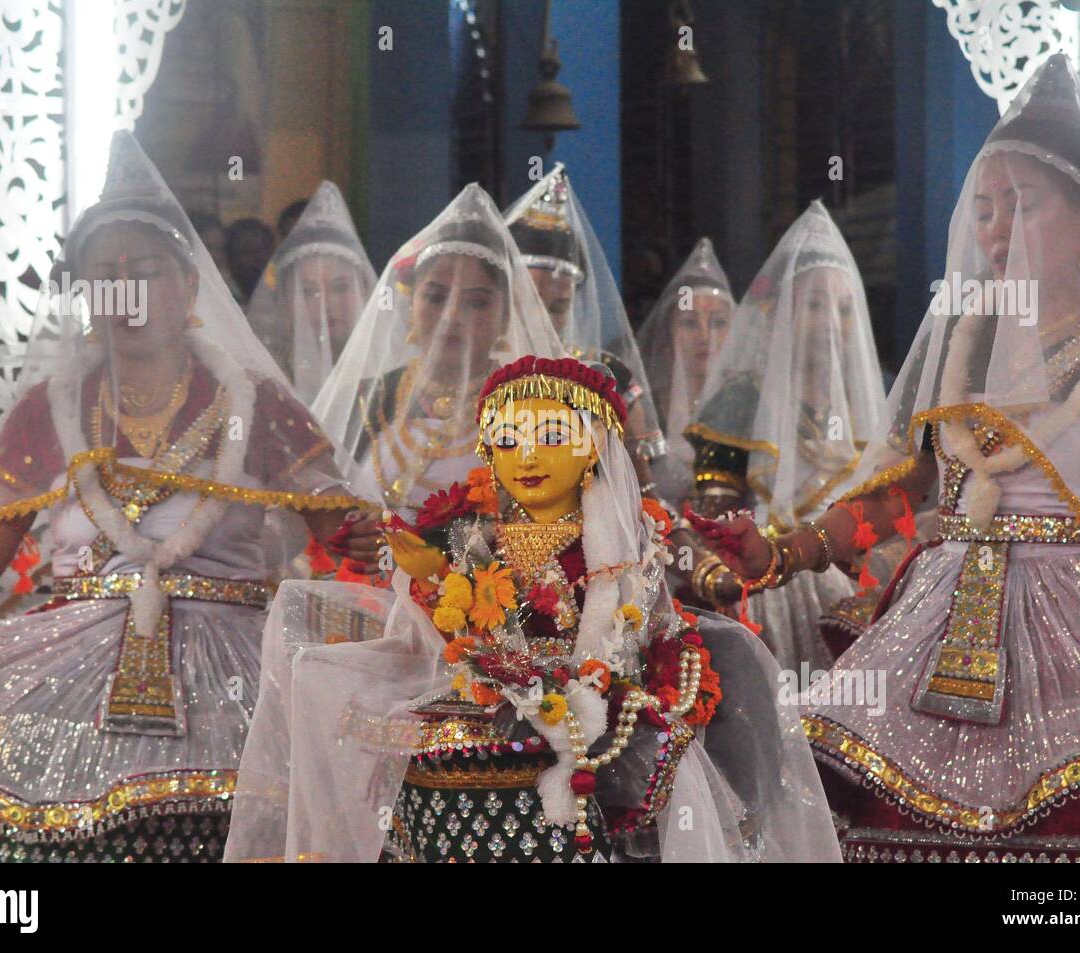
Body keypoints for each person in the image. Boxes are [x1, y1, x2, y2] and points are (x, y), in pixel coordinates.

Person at [702, 55, 1080, 861]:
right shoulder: (971, 341)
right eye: (986, 209)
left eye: (1023, 205)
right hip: (946, 615)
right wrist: (784, 553)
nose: (995, 230)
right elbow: (908, 490)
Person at [0, 132, 377, 862]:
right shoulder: (47, 408)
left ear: (187, 287)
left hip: (237, 670)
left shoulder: (258, 403)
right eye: (103, 277)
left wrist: (387, 553)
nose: (125, 295)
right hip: (73, 655)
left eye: (143, 274)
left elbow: (349, 536)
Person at [225, 355, 841, 862]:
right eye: (509, 439)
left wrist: (575, 682)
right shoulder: (471, 533)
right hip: (486, 691)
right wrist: (426, 576)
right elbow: (447, 629)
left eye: (552, 438)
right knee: (322, 676)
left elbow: (634, 634)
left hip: (596, 699)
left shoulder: (626, 544)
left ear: (596, 447)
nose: (527, 456)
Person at [681, 201, 888, 671]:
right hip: (768, 590)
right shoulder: (739, 402)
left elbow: (896, 506)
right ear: (780, 314)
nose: (832, 322)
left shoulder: (870, 405)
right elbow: (711, 520)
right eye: (814, 305)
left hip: (861, 583)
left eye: (843, 307)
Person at [309, 184, 565, 514]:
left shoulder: (530, 408)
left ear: (506, 318)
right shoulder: (368, 398)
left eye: (476, 302)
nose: (452, 316)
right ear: (410, 304)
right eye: (436, 297)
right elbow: (317, 517)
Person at [506, 165, 666, 494]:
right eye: (531, 302)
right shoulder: (476, 371)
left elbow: (643, 491)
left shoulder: (605, 376)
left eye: (558, 307)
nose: (543, 319)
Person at [246, 181, 375, 404]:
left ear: (364, 290)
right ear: (283, 301)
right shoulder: (260, 381)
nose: (326, 303)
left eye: (340, 287)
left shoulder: (390, 375)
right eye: (308, 292)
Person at [636, 238, 736, 507]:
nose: (705, 336)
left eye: (717, 323)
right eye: (690, 323)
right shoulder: (645, 412)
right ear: (669, 334)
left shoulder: (748, 407)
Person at [224, 217, 276, 304]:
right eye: (247, 251)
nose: (258, 257)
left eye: (262, 249)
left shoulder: (285, 288)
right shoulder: (222, 291)